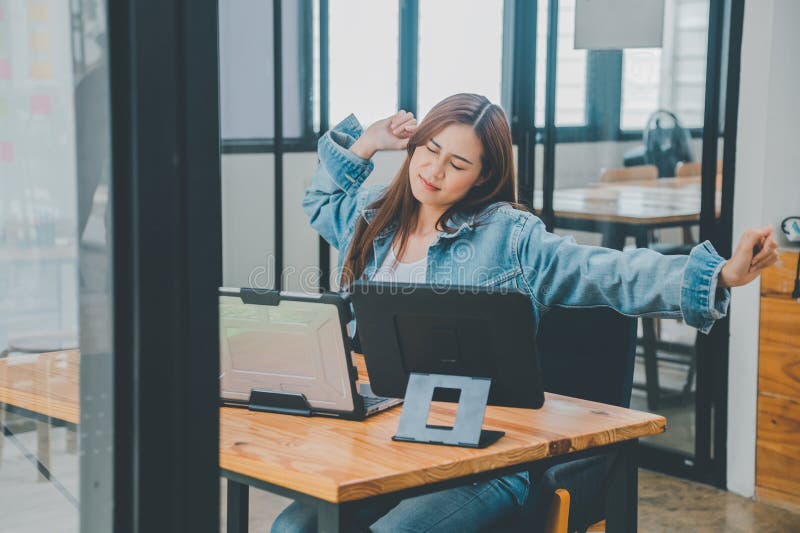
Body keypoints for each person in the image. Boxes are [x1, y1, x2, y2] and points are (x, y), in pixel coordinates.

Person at [273, 93, 778, 532]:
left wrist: (719, 276)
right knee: (292, 525)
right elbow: (322, 199)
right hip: (386, 445)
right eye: (429, 150)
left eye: (457, 164)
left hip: (482, 460)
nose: (433, 171)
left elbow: (608, 271)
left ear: (482, 176)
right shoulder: (374, 214)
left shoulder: (509, 238)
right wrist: (370, 141)